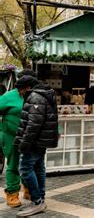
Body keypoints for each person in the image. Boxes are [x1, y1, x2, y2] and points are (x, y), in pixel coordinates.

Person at [15, 74, 59, 217]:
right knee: (39, 167)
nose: (19, 93)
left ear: (27, 88)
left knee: (25, 168)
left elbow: (33, 125)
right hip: (41, 141)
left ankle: (37, 201)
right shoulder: (44, 94)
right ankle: (40, 198)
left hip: (34, 141)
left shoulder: (35, 97)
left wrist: (24, 144)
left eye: (20, 90)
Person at [0, 70, 36, 207]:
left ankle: (28, 189)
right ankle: (12, 194)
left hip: (30, 138)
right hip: (11, 136)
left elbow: (47, 113)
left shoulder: (36, 96)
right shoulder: (9, 96)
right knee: (14, 165)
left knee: (29, 165)